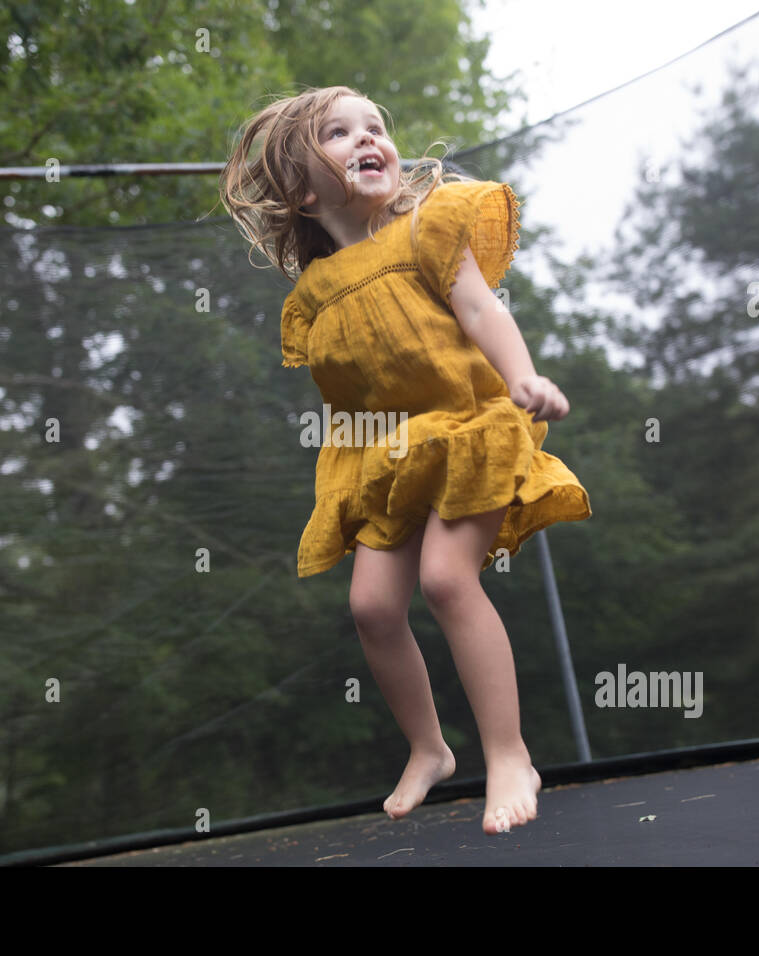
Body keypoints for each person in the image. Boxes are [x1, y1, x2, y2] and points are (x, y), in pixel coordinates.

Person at [219, 85, 591, 835]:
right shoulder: (315, 293)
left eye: (376, 127)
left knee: (447, 581)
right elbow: (353, 390)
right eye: (339, 132)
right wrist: (349, 481)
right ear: (299, 186)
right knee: (372, 607)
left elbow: (484, 309)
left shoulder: (428, 227)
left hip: (470, 427)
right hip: (387, 455)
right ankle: (429, 748)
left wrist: (523, 379)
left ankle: (509, 752)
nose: (369, 139)